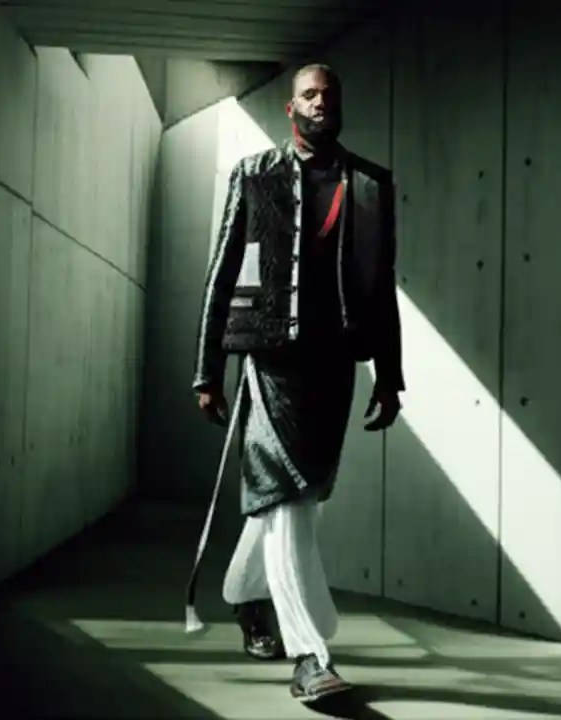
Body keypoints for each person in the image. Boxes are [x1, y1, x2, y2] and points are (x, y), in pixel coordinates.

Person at [191, 62, 405, 703]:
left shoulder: (368, 184)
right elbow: (222, 271)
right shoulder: (253, 176)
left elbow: (380, 286)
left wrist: (389, 375)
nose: (320, 103)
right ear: (291, 109)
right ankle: (311, 652)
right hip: (270, 362)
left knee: (297, 497)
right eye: (308, 95)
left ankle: (244, 597)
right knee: (285, 499)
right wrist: (207, 368)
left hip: (335, 363)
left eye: (329, 94)